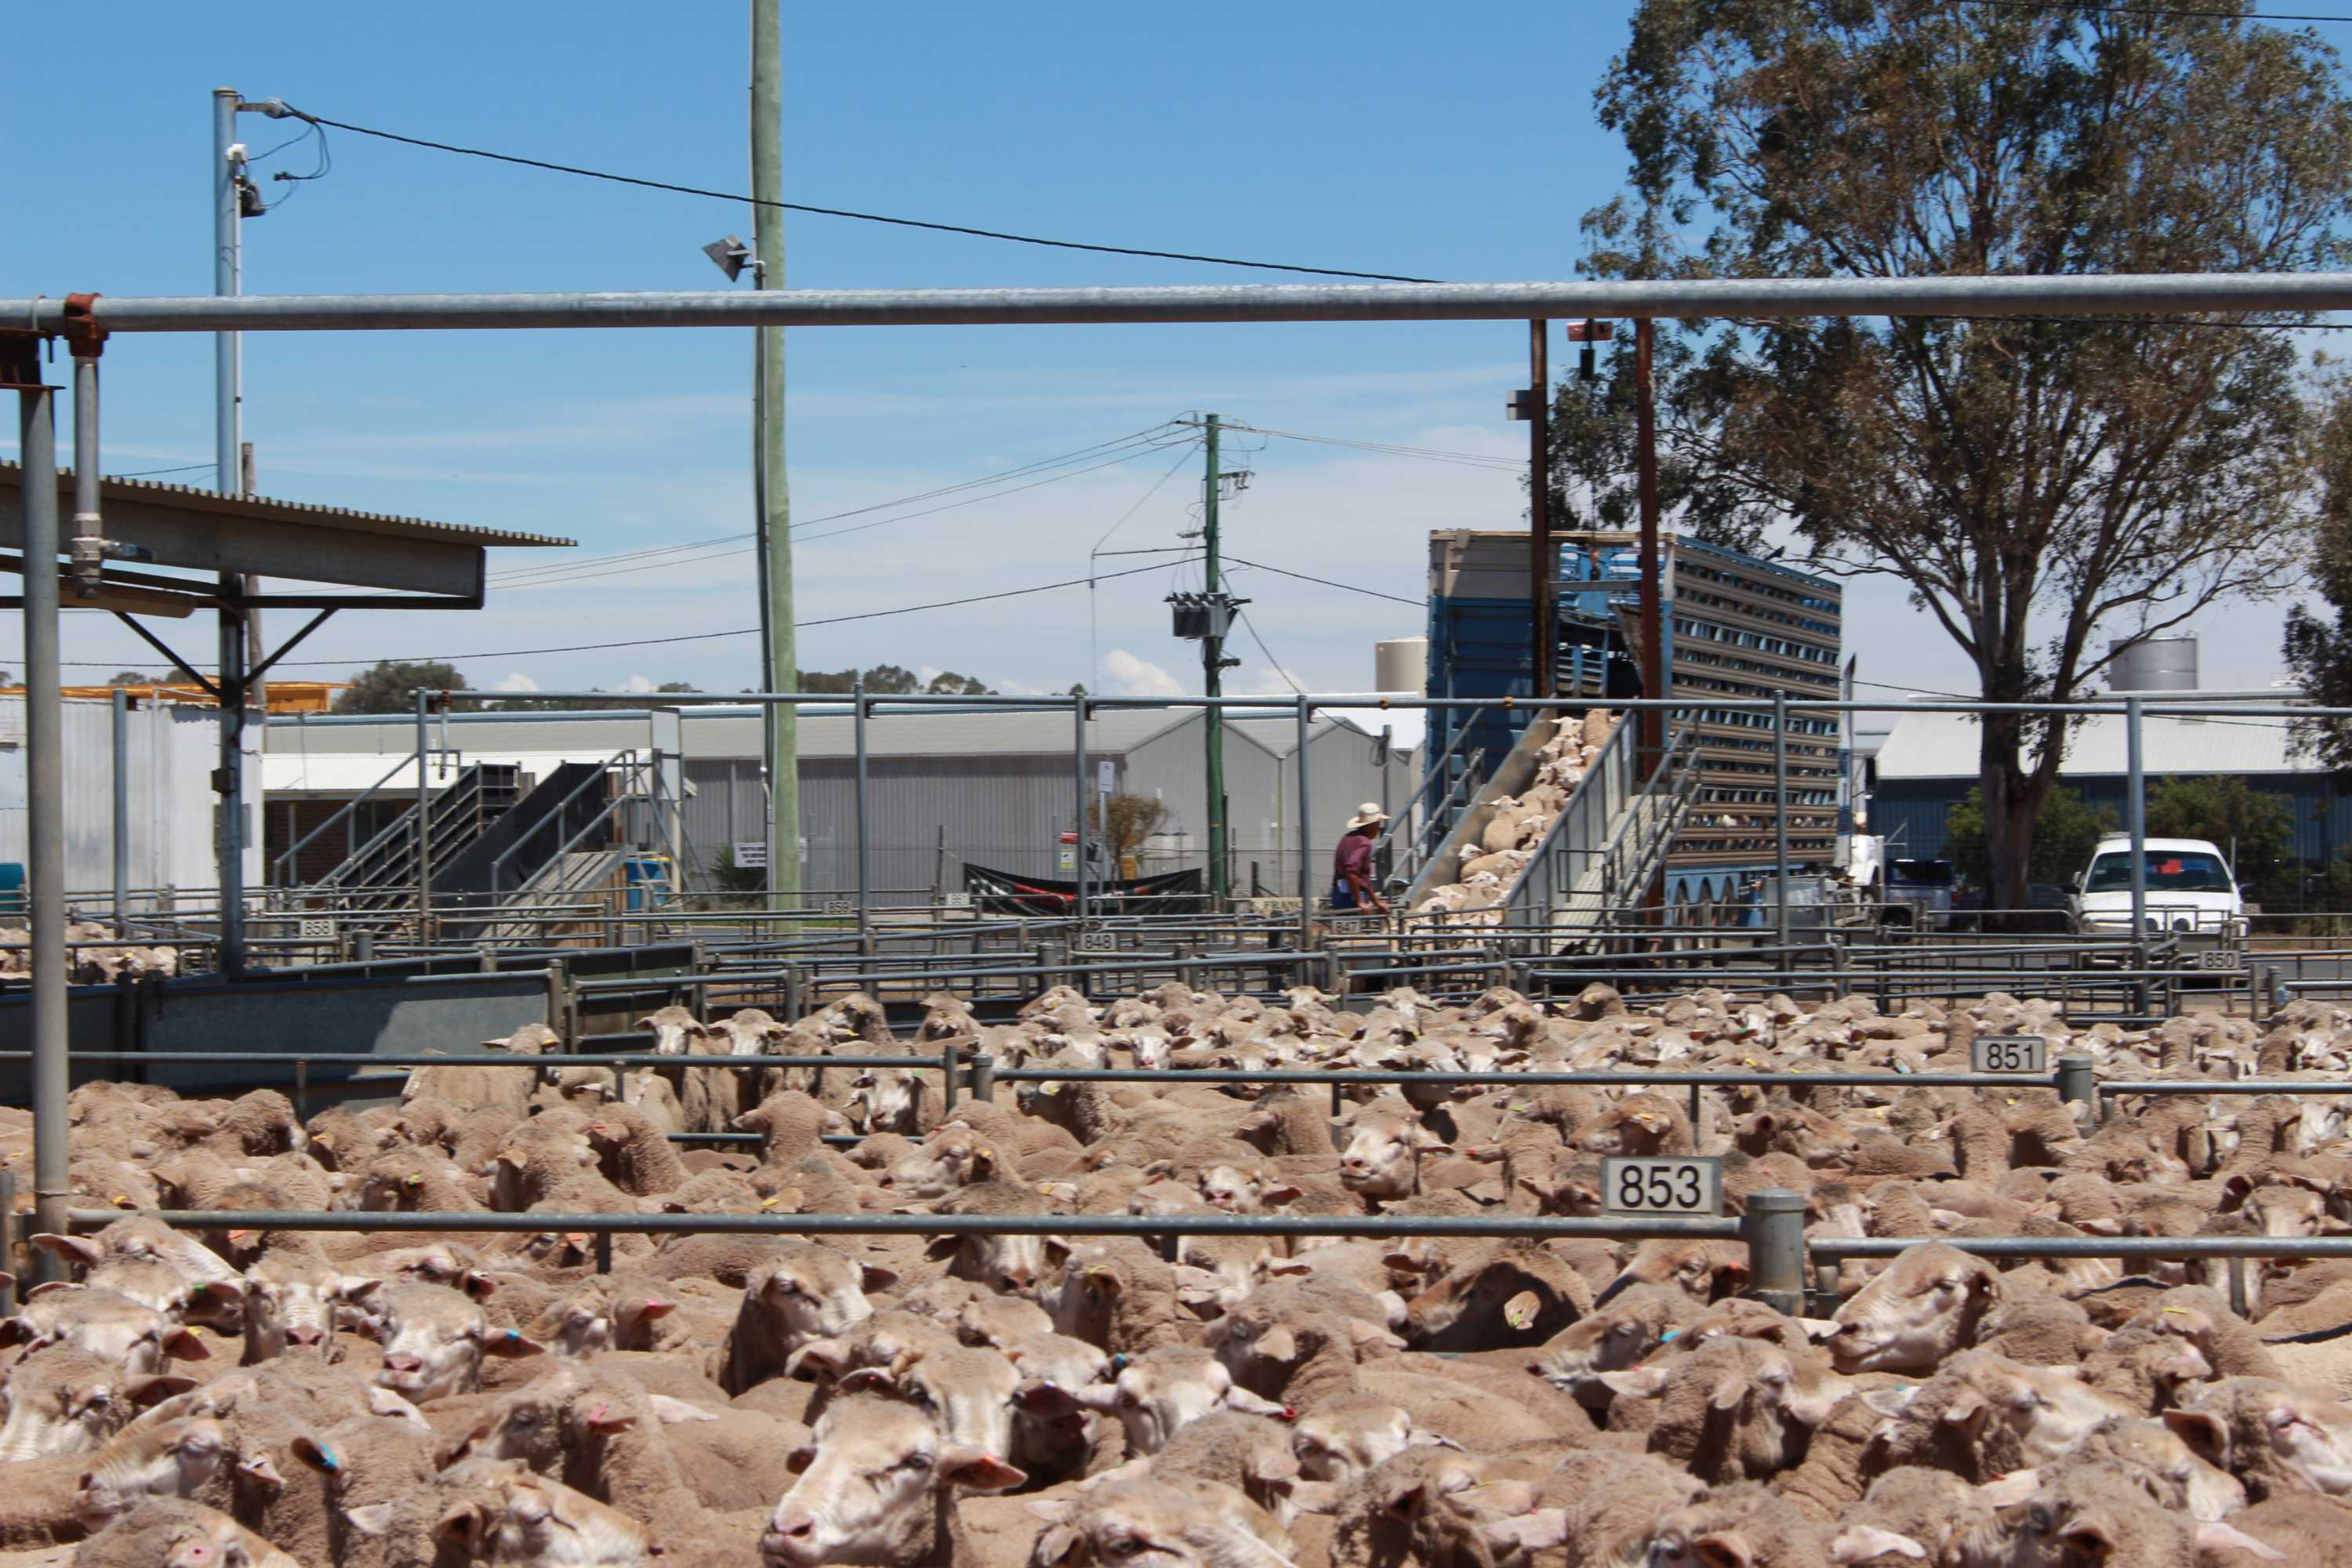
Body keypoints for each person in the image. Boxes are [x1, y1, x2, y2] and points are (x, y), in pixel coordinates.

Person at [1332, 802, 1390, 915]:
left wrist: (1374, 900)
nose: (1378, 829)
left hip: (1339, 894)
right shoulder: (1364, 843)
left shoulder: (1347, 838)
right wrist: (1360, 900)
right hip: (1351, 898)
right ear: (1371, 826)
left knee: (1342, 931)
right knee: (1356, 929)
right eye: (1377, 825)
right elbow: (1351, 870)